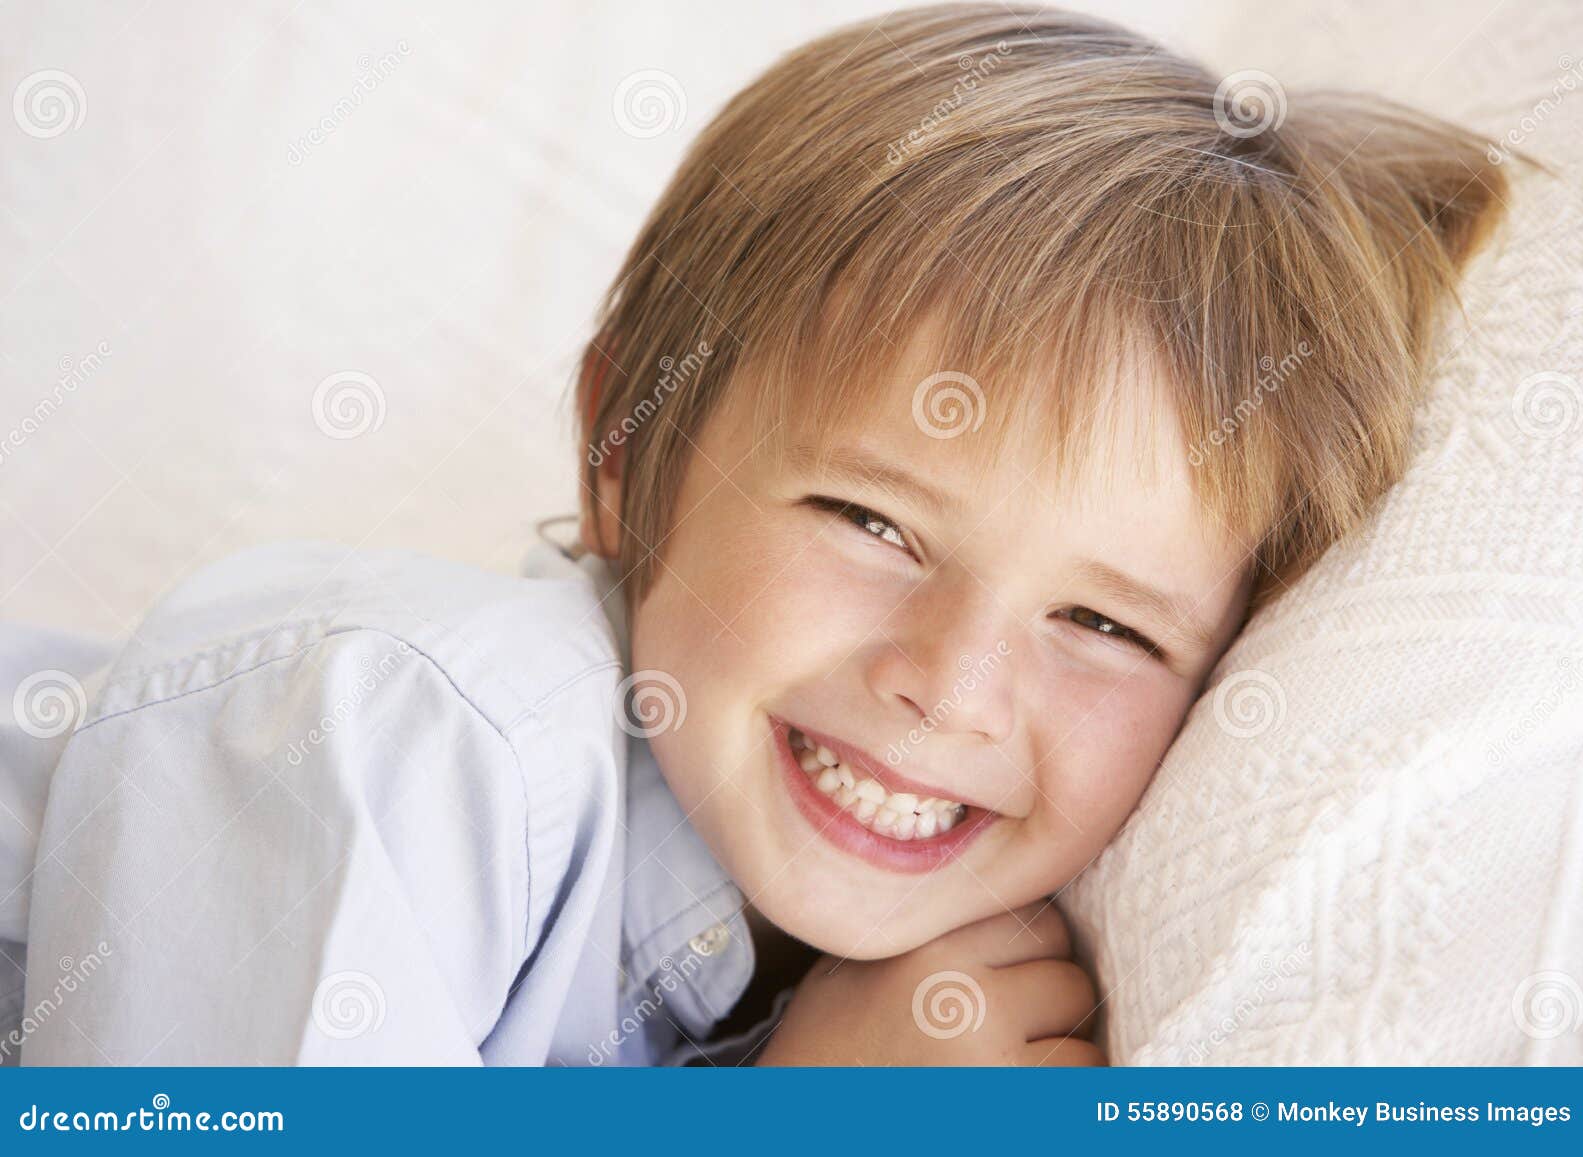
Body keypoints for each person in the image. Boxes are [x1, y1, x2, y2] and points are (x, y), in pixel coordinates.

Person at [3, 3, 1507, 1065]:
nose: (954, 684)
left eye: (1104, 624)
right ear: (625, 450)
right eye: (874, 519)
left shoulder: (844, 983)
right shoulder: (399, 722)